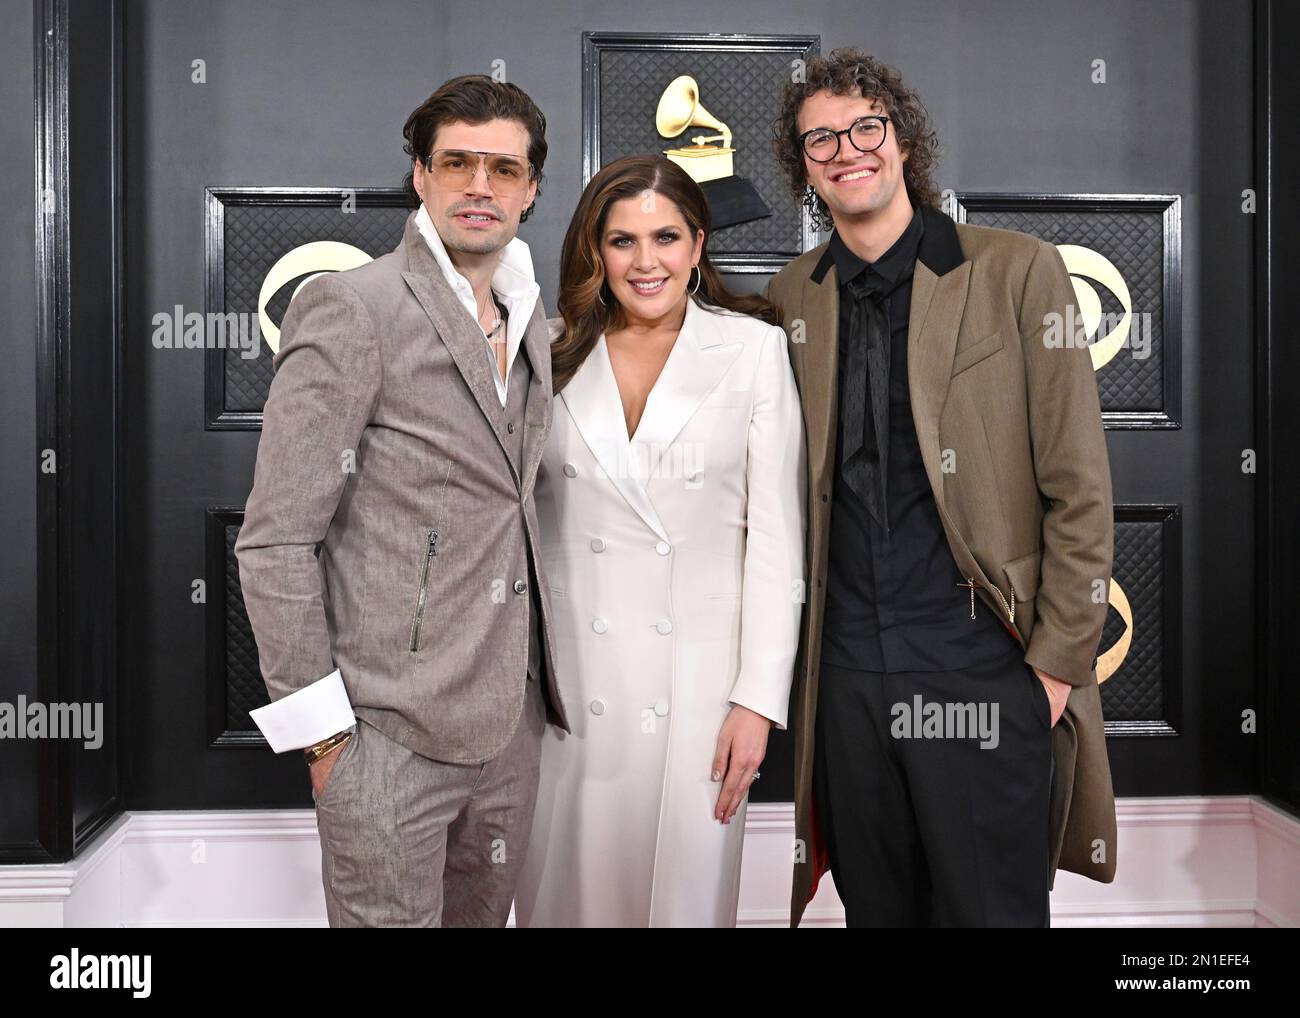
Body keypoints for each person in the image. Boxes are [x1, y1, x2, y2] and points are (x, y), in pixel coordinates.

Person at [764, 48, 1117, 927]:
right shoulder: (788, 299)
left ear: (903, 139)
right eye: (819, 141)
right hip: (843, 676)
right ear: (802, 166)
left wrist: (1050, 673)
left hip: (979, 667)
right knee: (878, 913)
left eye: (864, 128)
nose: (846, 151)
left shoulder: (1017, 271)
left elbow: (1079, 483)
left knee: (990, 912)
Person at [235, 75, 570, 927]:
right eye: (457, 163)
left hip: (510, 732)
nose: (479, 185)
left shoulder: (535, 319)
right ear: (421, 176)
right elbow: (275, 541)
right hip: (382, 739)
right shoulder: (353, 307)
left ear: (531, 190)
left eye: (504, 168)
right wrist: (325, 739)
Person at [513, 155, 807, 927]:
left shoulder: (752, 351)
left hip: (703, 695)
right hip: (565, 693)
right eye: (622, 241)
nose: (646, 262)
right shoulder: (541, 350)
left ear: (698, 244)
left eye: (666, 237)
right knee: (563, 902)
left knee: (682, 904)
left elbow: (778, 540)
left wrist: (756, 700)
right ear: (594, 251)